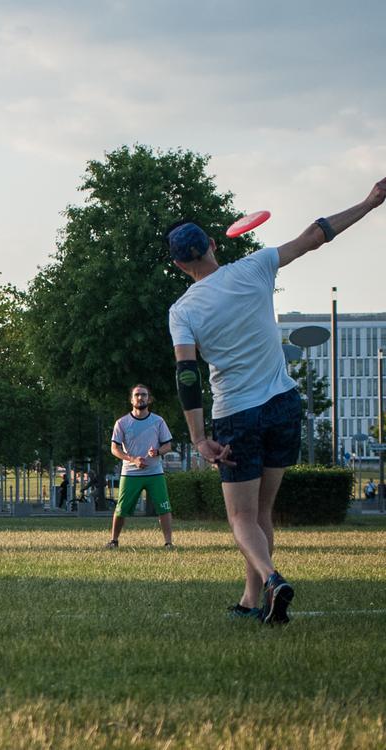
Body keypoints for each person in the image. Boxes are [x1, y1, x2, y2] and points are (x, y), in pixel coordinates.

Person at [167, 177, 386, 624]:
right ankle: (253, 602)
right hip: (284, 404)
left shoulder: (183, 310)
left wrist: (198, 437)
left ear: (178, 264)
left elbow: (187, 374)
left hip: (237, 414)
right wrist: (369, 202)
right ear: (212, 244)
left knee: (242, 517)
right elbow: (314, 236)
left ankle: (271, 579)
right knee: (262, 511)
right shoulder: (255, 266)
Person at [105, 384, 174, 549]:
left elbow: (168, 445)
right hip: (130, 473)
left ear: (149, 399)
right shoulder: (122, 423)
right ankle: (114, 540)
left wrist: (157, 452)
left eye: (144, 395)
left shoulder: (158, 421)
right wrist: (132, 459)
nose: (140, 398)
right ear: (131, 399)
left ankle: (168, 543)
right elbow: (115, 449)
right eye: (137, 395)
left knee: (164, 508)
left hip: (155, 473)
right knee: (121, 509)